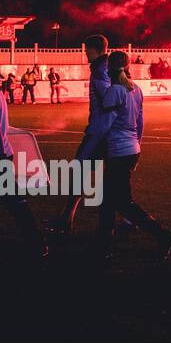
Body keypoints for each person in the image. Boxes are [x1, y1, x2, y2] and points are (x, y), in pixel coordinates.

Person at [90, 51, 171, 262]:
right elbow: (140, 122)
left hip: (118, 151)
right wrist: (137, 145)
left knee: (120, 202)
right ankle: (104, 244)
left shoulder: (114, 91)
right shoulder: (136, 89)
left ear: (109, 68)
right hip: (131, 148)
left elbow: (104, 125)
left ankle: (162, 234)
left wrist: (92, 148)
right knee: (110, 200)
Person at [48, 35, 113, 234]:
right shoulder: (108, 67)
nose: (85, 53)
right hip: (107, 133)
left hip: (98, 133)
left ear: (96, 50)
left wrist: (100, 129)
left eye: (87, 50)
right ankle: (123, 220)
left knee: (79, 171)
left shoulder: (100, 71)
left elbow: (109, 100)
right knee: (113, 178)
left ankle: (67, 219)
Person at [0, 93, 48, 259]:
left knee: (14, 200)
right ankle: (36, 241)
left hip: (1, 154)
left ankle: (36, 241)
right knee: (14, 200)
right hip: (4, 152)